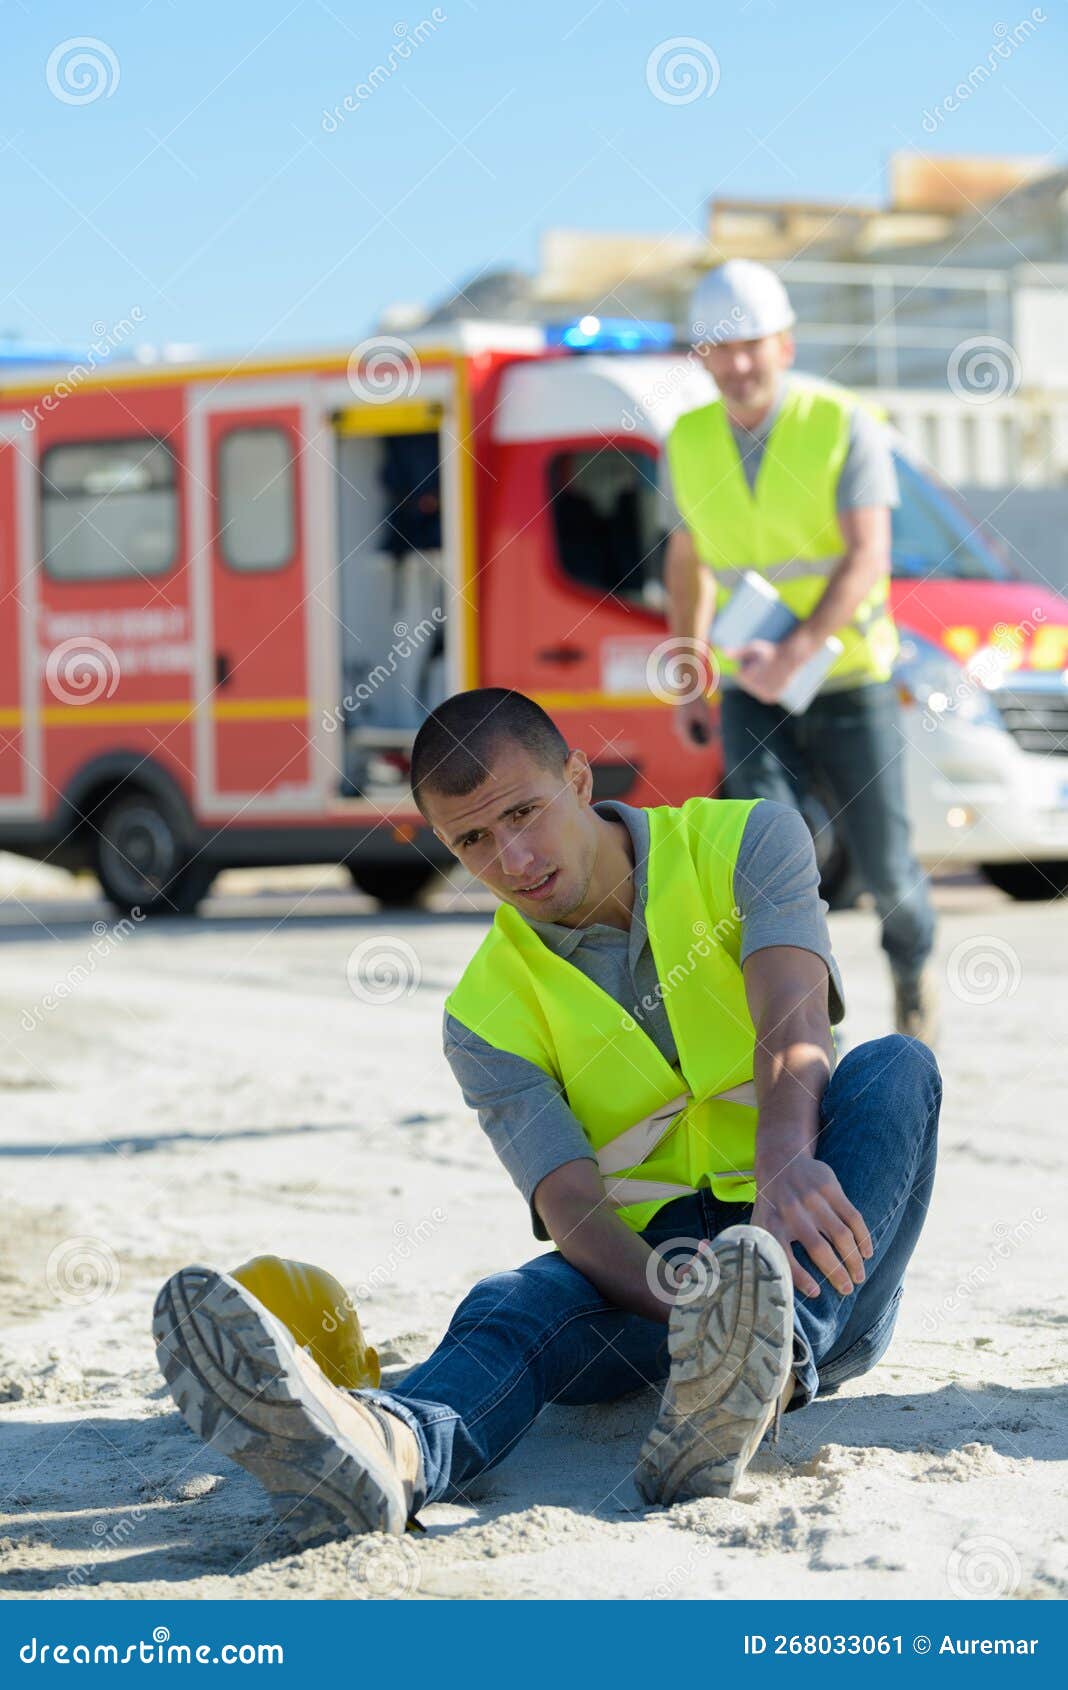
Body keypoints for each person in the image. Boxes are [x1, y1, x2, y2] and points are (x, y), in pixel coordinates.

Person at [153, 689, 941, 1547]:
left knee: (896, 1068)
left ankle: (775, 1360)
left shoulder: (748, 841)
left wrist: (786, 1167)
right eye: (473, 841)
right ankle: (391, 1449)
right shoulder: (481, 1014)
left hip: (817, 1252)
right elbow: (572, 1207)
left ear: (576, 774)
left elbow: (794, 1020)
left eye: (525, 812)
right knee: (517, 1300)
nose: (514, 857)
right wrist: (691, 1312)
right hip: (650, 1275)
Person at [662, 258, 938, 1043]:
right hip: (753, 685)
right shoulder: (684, 442)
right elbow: (686, 565)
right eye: (721, 347)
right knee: (772, 864)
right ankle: (811, 1022)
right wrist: (690, 674)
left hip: (851, 678)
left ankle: (912, 974)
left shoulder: (842, 421)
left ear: (784, 344)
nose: (739, 363)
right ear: (702, 355)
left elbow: (866, 556)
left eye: (753, 344)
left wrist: (804, 649)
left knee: (889, 872)